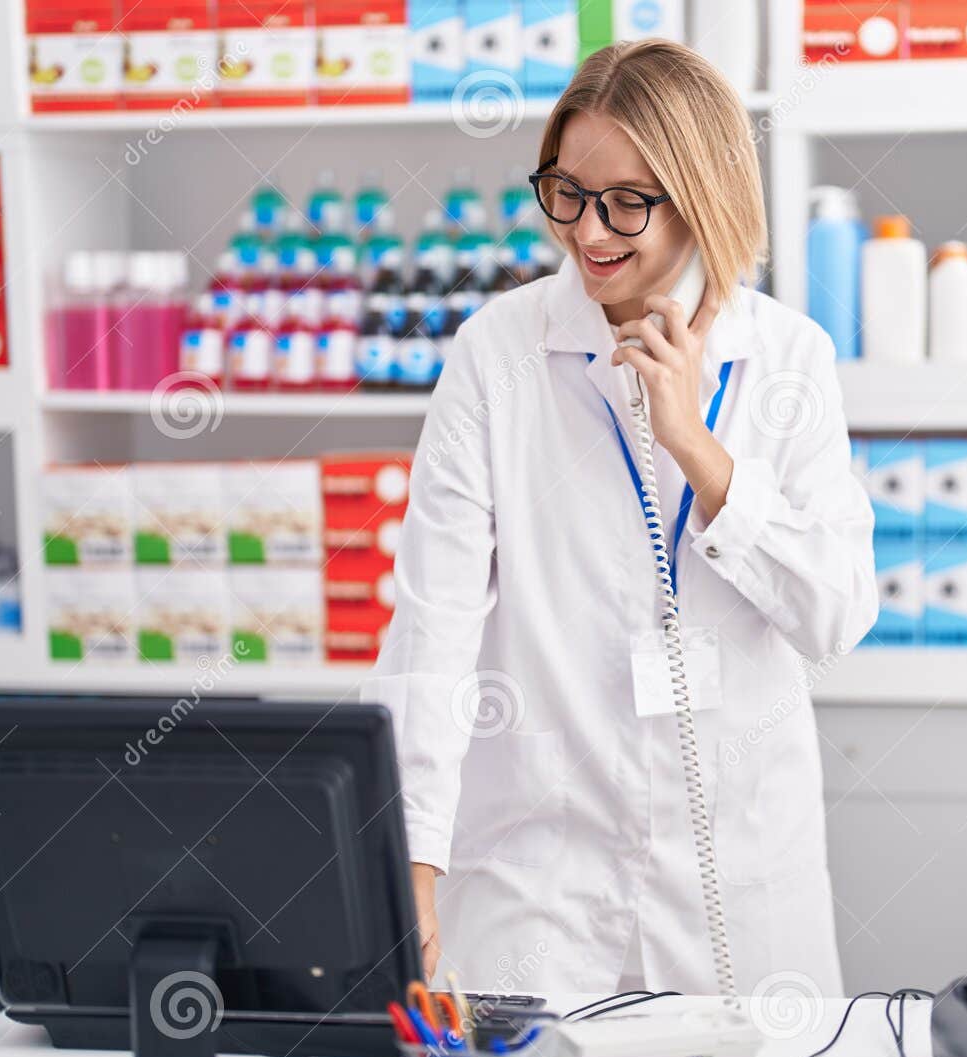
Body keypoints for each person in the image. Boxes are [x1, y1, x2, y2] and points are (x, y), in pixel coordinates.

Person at [363, 39, 877, 997]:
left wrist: (701, 451)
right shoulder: (494, 357)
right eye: (566, 191)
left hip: (744, 875)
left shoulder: (789, 360)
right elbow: (428, 639)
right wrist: (411, 876)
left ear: (704, 194)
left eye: (627, 202)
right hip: (540, 884)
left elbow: (836, 615)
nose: (587, 231)